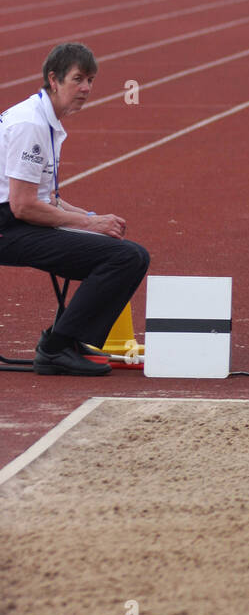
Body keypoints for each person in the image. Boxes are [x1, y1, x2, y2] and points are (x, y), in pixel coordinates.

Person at [0, 43, 150, 376]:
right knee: (122, 258)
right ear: (53, 80)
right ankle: (56, 348)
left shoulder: (44, 120)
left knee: (132, 255)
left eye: (91, 80)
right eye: (78, 79)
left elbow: (46, 199)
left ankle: (69, 340)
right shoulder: (31, 125)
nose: (86, 89)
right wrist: (88, 224)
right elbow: (23, 206)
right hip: (8, 228)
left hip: (17, 222)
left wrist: (91, 220)